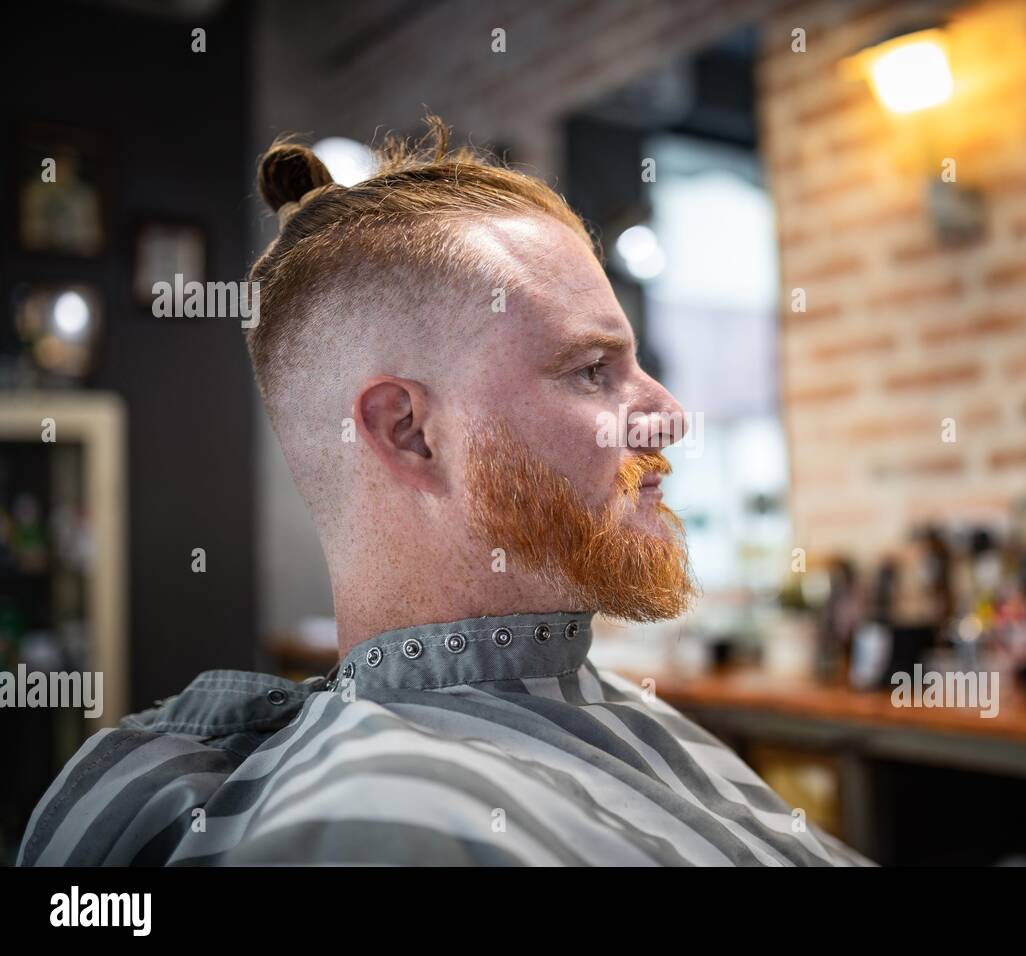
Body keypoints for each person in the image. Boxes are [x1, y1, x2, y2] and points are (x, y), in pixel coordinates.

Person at [19, 116, 868, 866]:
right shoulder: (387, 832)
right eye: (592, 370)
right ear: (408, 432)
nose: (669, 417)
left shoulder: (603, 716)